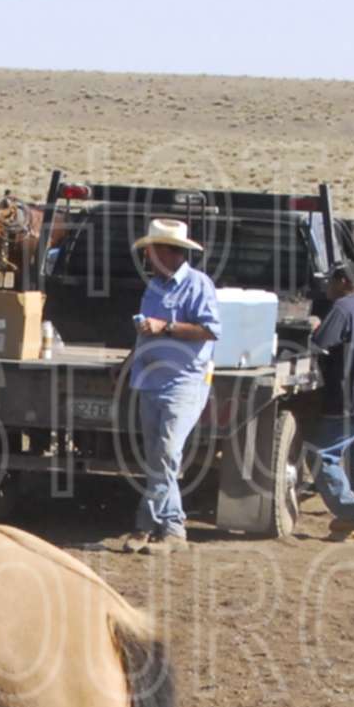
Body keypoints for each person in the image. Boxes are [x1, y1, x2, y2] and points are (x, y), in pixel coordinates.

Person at [111, 216, 219, 551]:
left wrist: (166, 327)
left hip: (182, 383)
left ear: (169, 252)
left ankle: (145, 526)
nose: (148, 259)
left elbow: (210, 330)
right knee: (158, 457)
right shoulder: (153, 286)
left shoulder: (199, 285)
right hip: (150, 381)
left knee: (166, 455)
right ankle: (173, 530)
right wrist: (129, 363)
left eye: (152, 251)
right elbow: (145, 330)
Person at [305, 257, 354, 541]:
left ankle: (352, 513)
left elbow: (320, 343)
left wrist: (313, 326)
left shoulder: (341, 307)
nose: (326, 285)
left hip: (349, 398)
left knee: (319, 455)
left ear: (343, 283)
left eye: (331, 280)